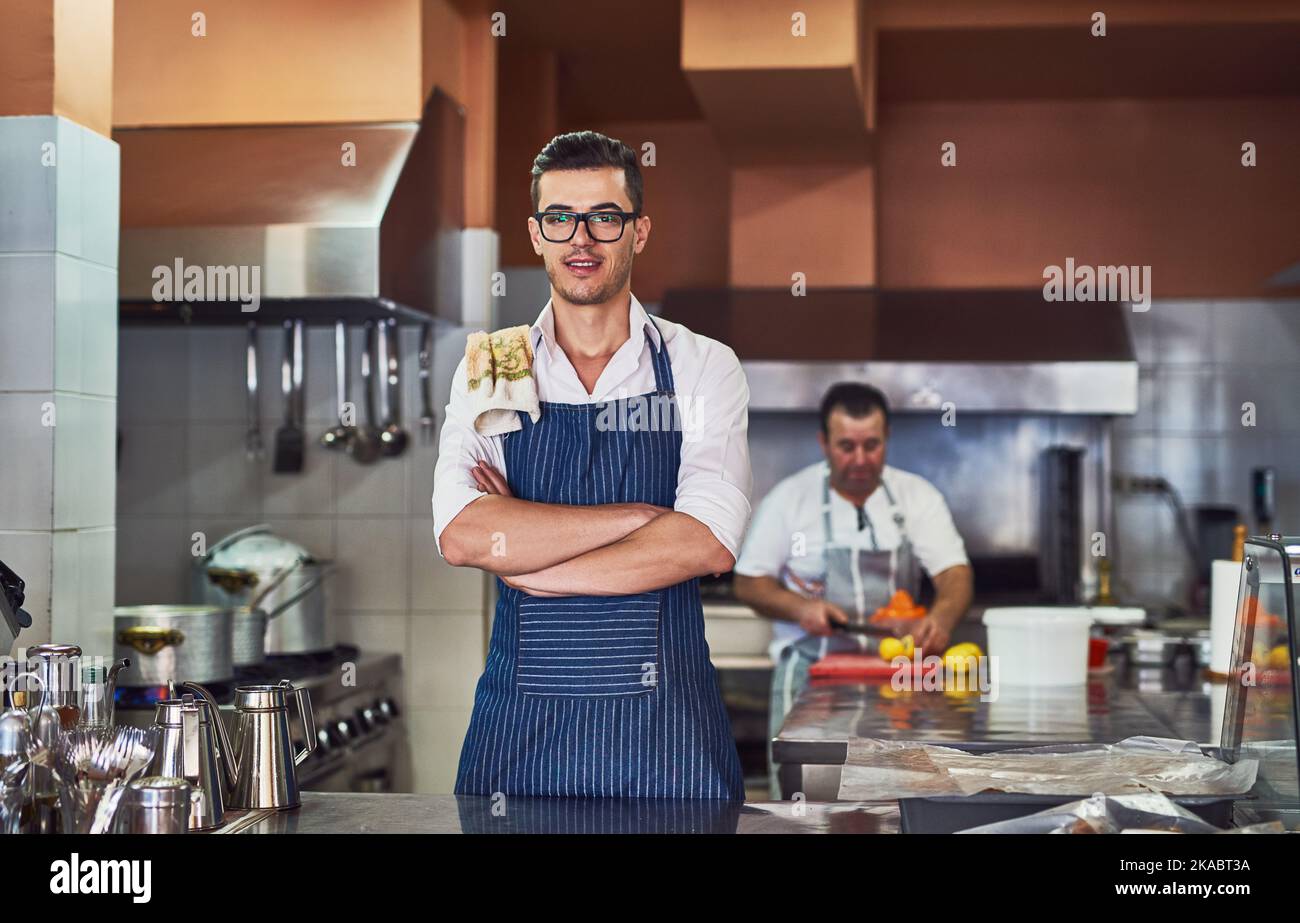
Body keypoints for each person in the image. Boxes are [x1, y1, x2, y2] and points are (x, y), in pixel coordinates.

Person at [433, 131, 751, 800]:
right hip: (520, 741)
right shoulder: (494, 364)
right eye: (561, 218)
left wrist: (531, 564)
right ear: (536, 233)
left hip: (669, 744)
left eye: (605, 217)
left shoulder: (699, 365)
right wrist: (642, 519)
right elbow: (464, 535)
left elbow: (709, 540)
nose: (582, 238)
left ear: (638, 231)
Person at [733, 382, 973, 797]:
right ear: (823, 442)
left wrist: (942, 617)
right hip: (809, 682)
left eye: (871, 445)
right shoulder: (790, 499)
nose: (860, 459)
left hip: (897, 684)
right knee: (806, 804)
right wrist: (799, 607)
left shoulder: (917, 496)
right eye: (846, 446)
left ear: (887, 439)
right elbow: (749, 582)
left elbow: (954, 573)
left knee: (892, 798)